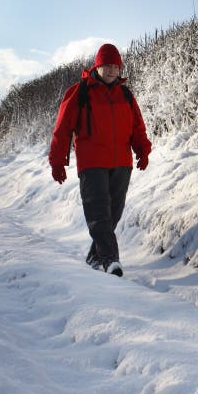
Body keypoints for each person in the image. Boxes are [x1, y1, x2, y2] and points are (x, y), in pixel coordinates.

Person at [48, 43, 151, 277]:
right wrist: (57, 160)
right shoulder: (80, 92)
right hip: (92, 162)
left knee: (114, 211)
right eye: (108, 66)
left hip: (121, 162)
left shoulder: (125, 94)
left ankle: (95, 257)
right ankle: (110, 261)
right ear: (98, 65)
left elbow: (137, 125)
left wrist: (142, 150)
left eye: (116, 66)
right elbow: (62, 129)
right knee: (99, 212)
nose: (113, 70)